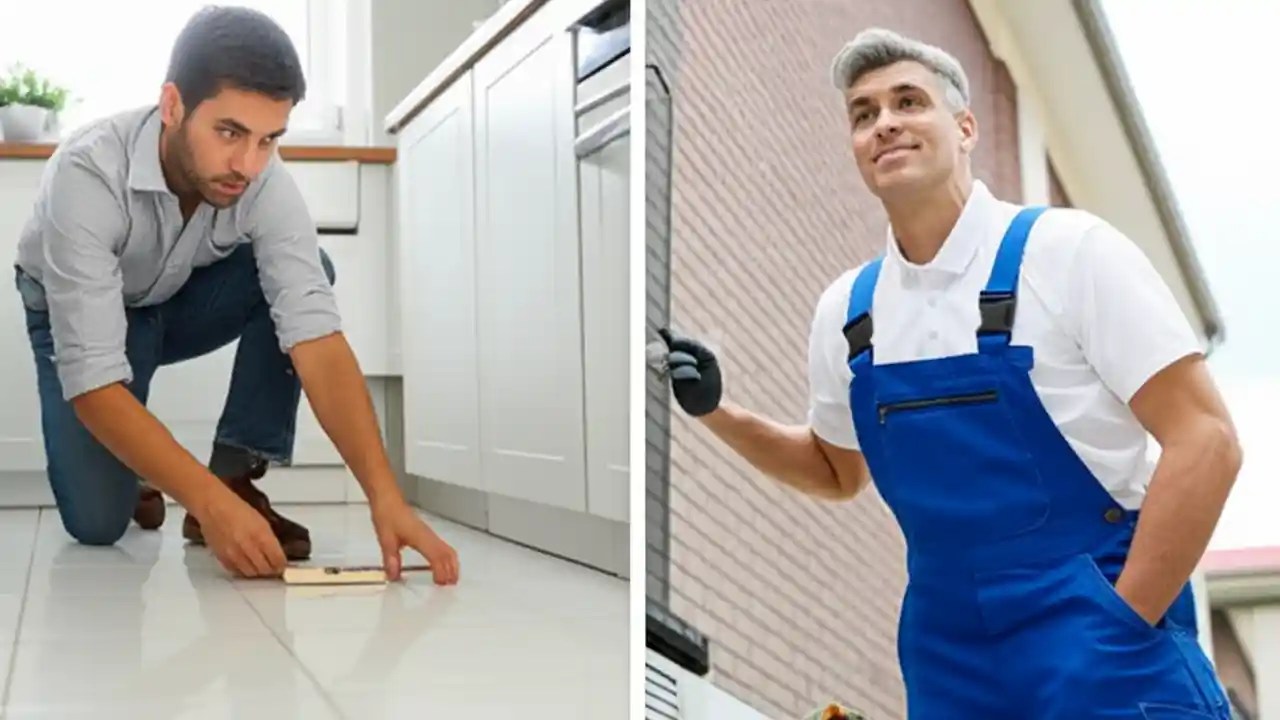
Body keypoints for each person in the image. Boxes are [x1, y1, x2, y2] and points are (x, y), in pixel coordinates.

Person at [658, 27, 1241, 719]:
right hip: (949, 653)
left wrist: (1118, 624)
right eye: (864, 113)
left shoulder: (1066, 253)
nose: (886, 124)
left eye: (909, 102)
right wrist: (718, 412)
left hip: (1102, 631)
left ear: (965, 127)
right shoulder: (850, 311)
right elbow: (836, 471)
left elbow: (1206, 439)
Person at [11, 6, 459, 586]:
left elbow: (316, 337)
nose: (248, 164)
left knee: (309, 272)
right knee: (97, 523)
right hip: (77, 318)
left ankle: (231, 478)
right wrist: (202, 504)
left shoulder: (262, 177)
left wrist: (385, 496)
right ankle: (146, 479)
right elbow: (95, 381)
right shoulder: (86, 173)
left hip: (170, 304)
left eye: (268, 138)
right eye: (229, 132)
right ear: (173, 106)